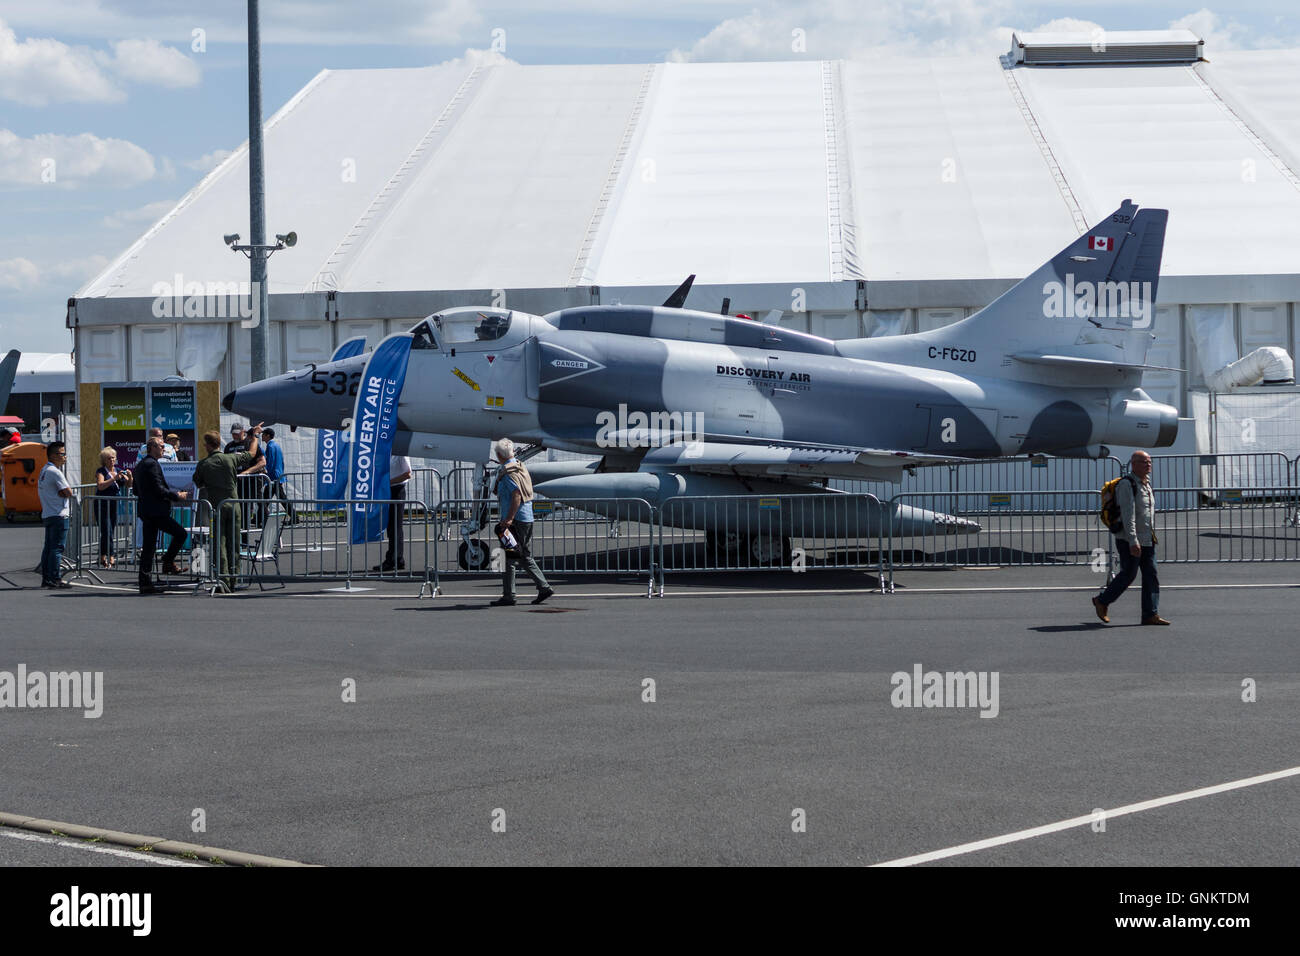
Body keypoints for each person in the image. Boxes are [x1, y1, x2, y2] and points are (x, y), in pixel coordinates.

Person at [1093, 450, 1171, 626]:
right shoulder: (1127, 485)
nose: (1148, 465)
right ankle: (1102, 601)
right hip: (1130, 539)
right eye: (1144, 462)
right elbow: (1128, 516)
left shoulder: (1146, 484)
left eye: (1149, 462)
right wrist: (1133, 540)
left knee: (1151, 575)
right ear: (1133, 464)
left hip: (1148, 538)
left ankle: (1150, 614)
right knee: (1128, 574)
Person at [193, 423, 261, 592]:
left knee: (220, 542)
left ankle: (222, 577)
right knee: (234, 542)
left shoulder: (203, 464)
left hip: (217, 507)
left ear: (208, 445)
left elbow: (198, 483)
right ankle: (234, 577)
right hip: (234, 505)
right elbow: (252, 453)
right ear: (219, 444)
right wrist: (255, 436)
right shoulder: (230, 458)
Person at [489, 439, 553, 606]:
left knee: (509, 557)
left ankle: (510, 595)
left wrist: (508, 519)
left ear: (498, 455)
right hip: (526, 518)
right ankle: (542, 587)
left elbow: (516, 495)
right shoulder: (519, 465)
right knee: (522, 555)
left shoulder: (508, 472)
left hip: (515, 520)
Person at [133, 435, 190, 594]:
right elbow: (159, 489)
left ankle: (145, 582)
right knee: (181, 534)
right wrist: (177, 495)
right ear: (151, 448)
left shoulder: (141, 465)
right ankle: (167, 561)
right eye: (160, 446)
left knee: (149, 548)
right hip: (156, 512)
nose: (163, 449)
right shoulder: (152, 465)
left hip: (147, 511)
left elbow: (137, 490)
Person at [38, 440, 75, 589]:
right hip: (58, 514)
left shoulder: (44, 470)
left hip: (48, 513)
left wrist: (62, 493)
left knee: (49, 547)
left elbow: (63, 492)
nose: (65, 457)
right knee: (57, 548)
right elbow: (69, 492)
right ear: (53, 456)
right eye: (62, 454)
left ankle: (47, 578)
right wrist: (64, 493)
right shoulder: (55, 471)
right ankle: (55, 578)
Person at [94, 447, 132, 567]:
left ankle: (102, 556)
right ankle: (111, 556)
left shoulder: (118, 470)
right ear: (104, 460)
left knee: (110, 531)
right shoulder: (101, 471)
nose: (111, 460)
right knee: (106, 531)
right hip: (102, 505)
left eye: (113, 458)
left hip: (114, 505)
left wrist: (129, 477)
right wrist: (114, 478)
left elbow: (128, 485)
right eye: (108, 458)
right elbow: (100, 486)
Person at [373, 455, 411, 572]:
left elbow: (407, 474)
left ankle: (392, 559)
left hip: (397, 490)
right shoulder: (389, 453)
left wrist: (388, 481)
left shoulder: (401, 454)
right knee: (393, 527)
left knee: (395, 526)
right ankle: (398, 559)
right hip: (390, 489)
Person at [261, 428, 295, 525]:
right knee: (267, 499)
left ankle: (295, 517)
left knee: (266, 500)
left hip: (272, 477)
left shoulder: (270, 447)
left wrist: (265, 473)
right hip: (278, 475)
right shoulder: (276, 446)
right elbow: (281, 462)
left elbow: (270, 463)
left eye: (263, 434)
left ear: (267, 435)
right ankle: (258, 517)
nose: (262, 436)